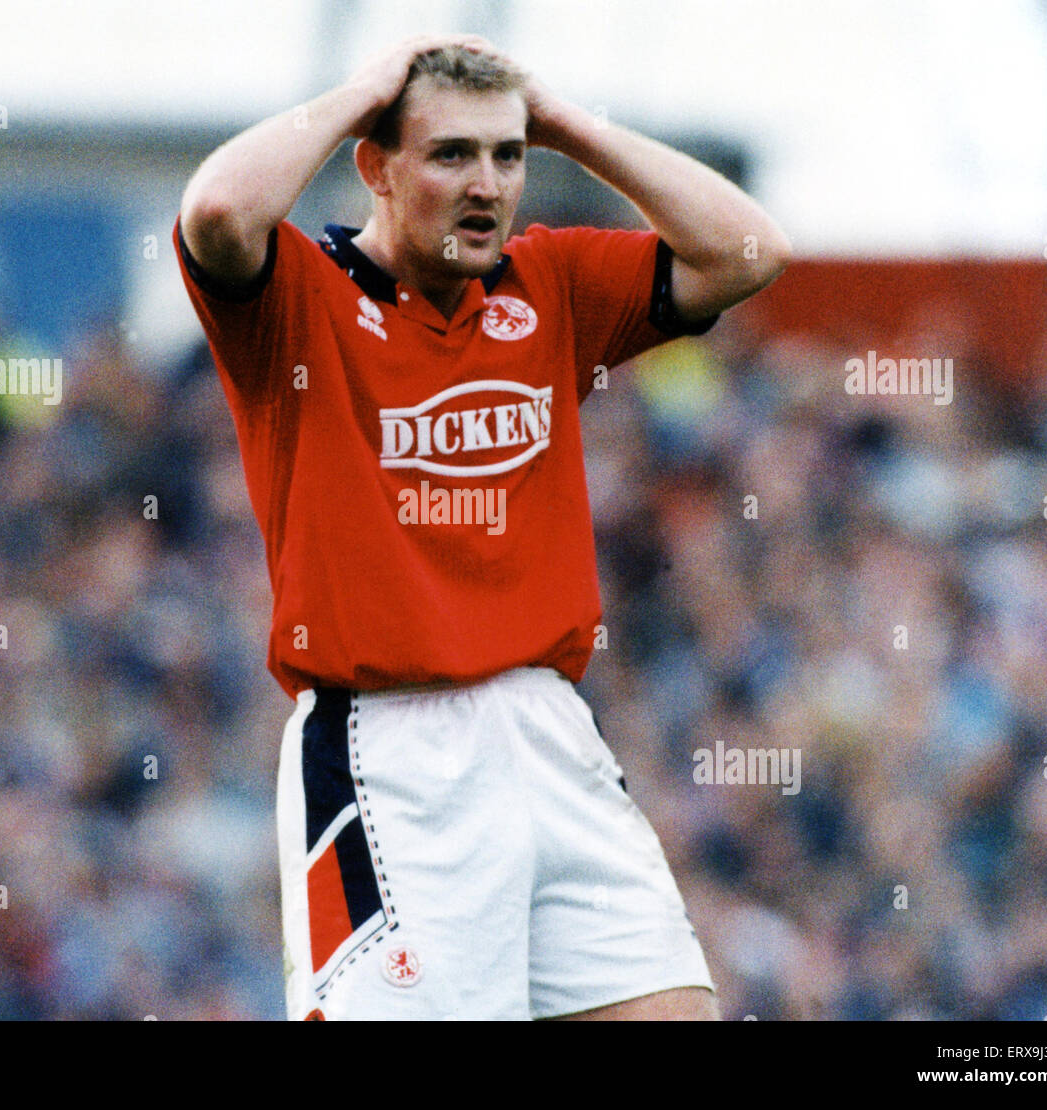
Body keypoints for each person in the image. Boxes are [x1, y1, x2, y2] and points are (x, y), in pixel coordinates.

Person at [174, 34, 789, 1020]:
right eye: (450, 153)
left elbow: (750, 250)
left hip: (549, 731)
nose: (486, 183)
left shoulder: (546, 283)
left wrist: (568, 127)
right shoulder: (298, 296)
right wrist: (363, 93)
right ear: (376, 166)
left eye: (507, 156)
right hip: (394, 759)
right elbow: (215, 210)